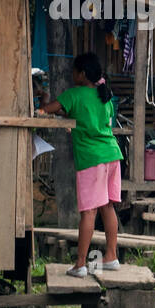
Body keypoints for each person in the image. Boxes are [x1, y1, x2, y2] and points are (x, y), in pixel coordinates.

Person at [35, 51, 123, 277]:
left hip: (92, 159)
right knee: (108, 207)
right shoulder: (104, 95)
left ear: (82, 74)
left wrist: (43, 107)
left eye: (74, 71)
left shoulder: (75, 93)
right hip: (112, 155)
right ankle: (111, 256)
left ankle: (81, 264)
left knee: (88, 212)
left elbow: (54, 107)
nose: (72, 74)